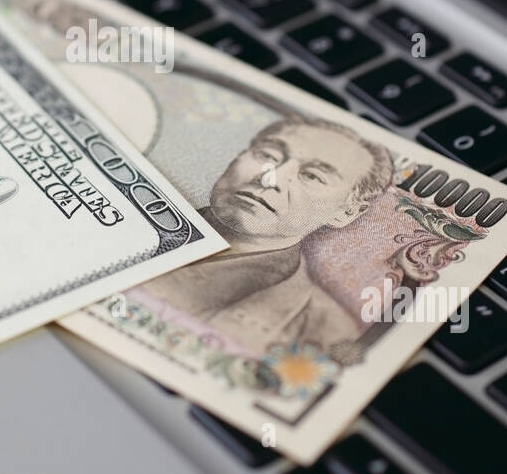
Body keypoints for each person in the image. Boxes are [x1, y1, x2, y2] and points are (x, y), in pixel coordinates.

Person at [141, 116, 394, 354]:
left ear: (347, 212)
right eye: (267, 155)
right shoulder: (139, 213)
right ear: (237, 157)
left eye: (312, 176)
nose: (270, 179)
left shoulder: (326, 330)